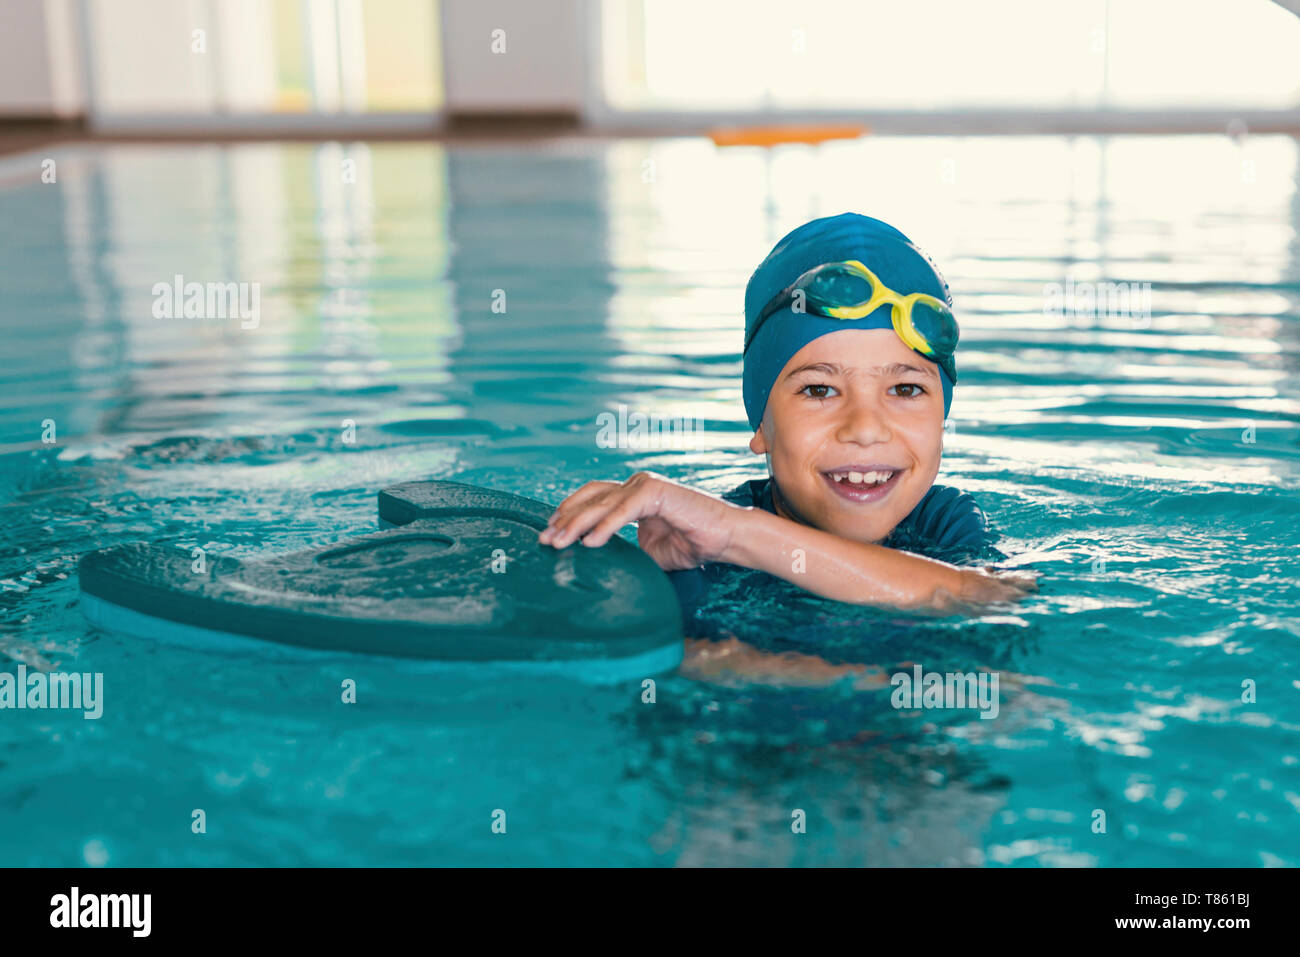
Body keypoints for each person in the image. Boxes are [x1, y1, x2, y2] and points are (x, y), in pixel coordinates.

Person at [540, 212, 1036, 681]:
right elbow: (656, 663)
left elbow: (990, 598)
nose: (865, 429)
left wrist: (738, 535)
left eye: (906, 390)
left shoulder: (942, 524)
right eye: (819, 390)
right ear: (762, 428)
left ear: (943, 423)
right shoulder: (696, 551)